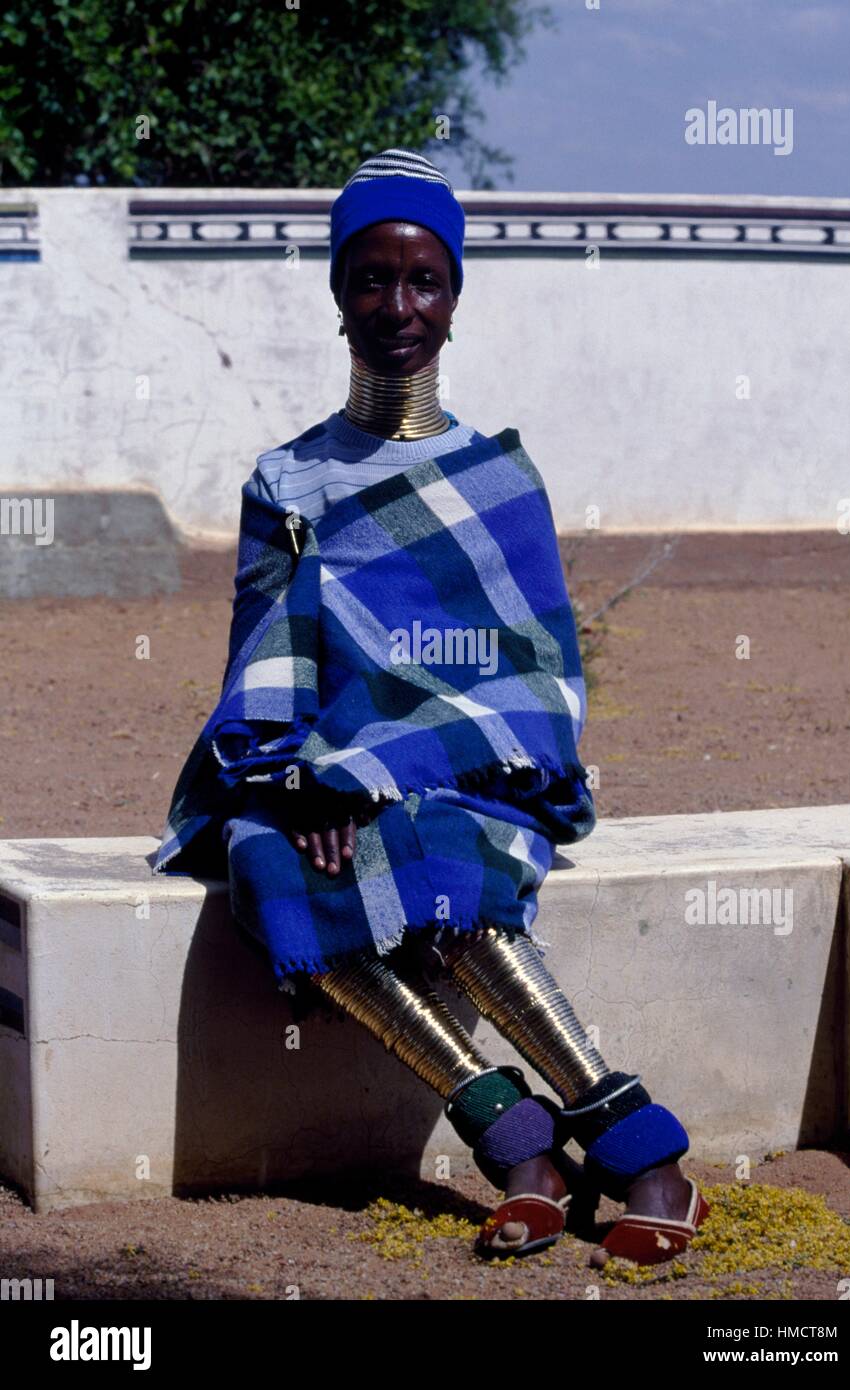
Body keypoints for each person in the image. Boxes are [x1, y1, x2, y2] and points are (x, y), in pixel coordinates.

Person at [153, 147, 708, 1266]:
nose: (396, 308)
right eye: (370, 278)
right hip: (322, 776)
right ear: (336, 292)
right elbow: (269, 653)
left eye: (423, 281)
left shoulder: (498, 478)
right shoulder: (288, 479)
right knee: (269, 857)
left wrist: (382, 767)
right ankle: (517, 1140)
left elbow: (536, 681)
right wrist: (301, 772)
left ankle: (637, 1143)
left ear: (455, 297)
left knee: (446, 854)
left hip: (473, 767)